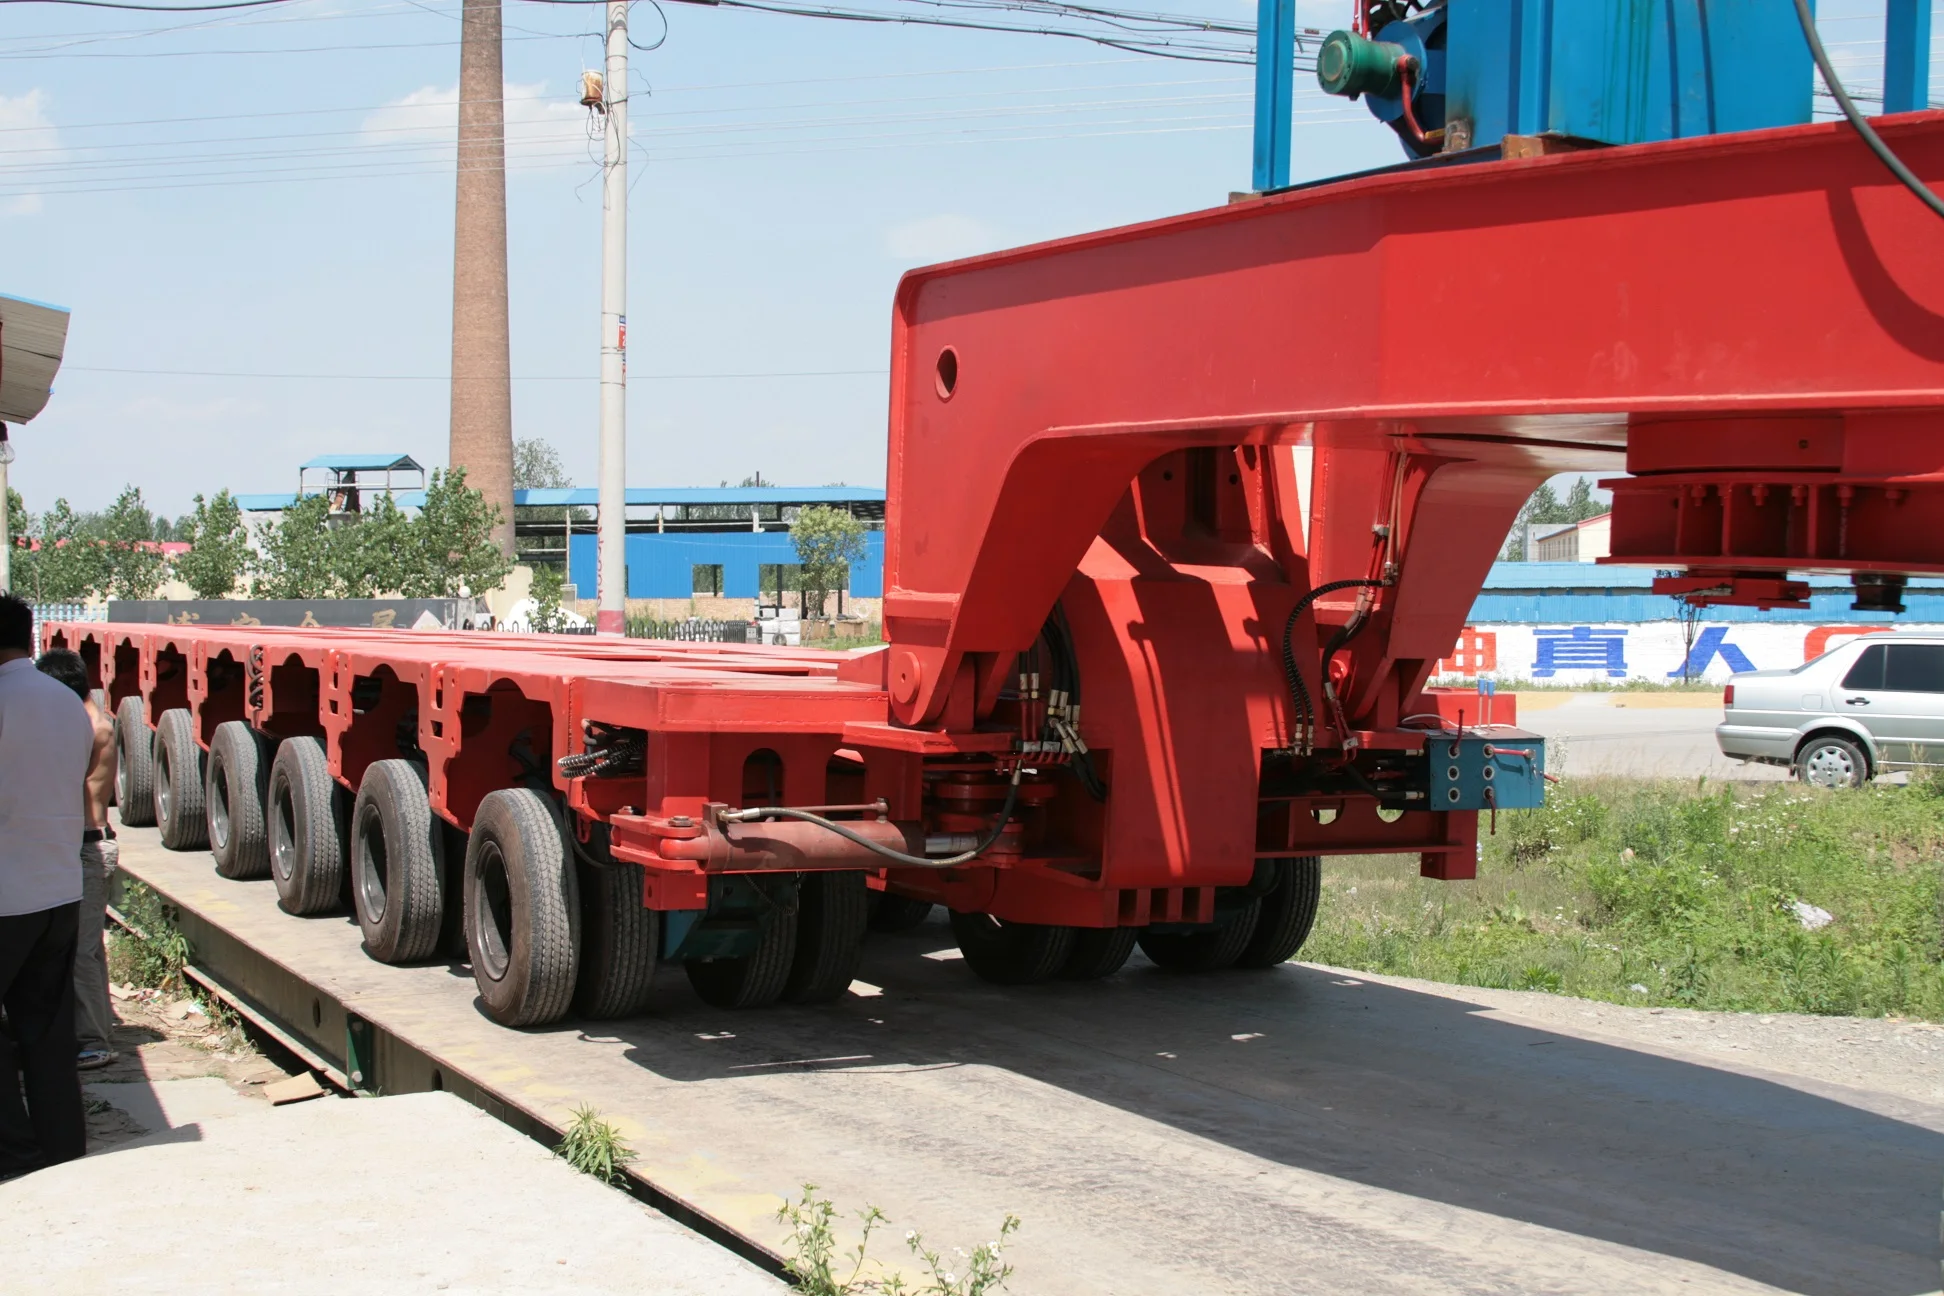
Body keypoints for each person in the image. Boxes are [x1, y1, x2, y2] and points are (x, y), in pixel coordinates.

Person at [0, 594, 93, 1177]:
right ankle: (63, 1151)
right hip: (60, 889)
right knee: (48, 1033)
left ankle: (15, 1150)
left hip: (7, 895)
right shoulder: (65, 702)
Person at [35, 649, 119, 1070]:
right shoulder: (92, 720)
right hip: (85, 843)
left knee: (83, 950)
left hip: (87, 845)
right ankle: (91, 1028)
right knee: (84, 948)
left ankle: (93, 1040)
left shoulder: (90, 727)